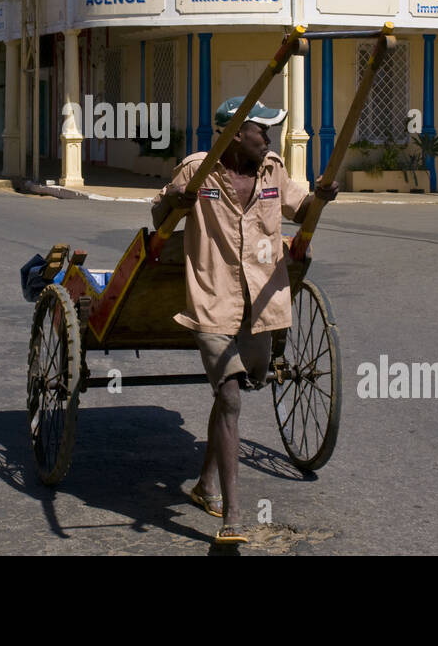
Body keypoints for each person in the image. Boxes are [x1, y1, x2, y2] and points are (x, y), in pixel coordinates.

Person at [151, 97, 337, 544]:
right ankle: (233, 516)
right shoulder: (197, 169)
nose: (269, 139)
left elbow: (301, 209)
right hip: (212, 299)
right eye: (262, 130)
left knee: (239, 386)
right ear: (236, 133)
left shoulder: (273, 170)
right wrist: (177, 199)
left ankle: (205, 483)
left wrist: (321, 200)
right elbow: (159, 217)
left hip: (262, 302)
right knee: (231, 397)